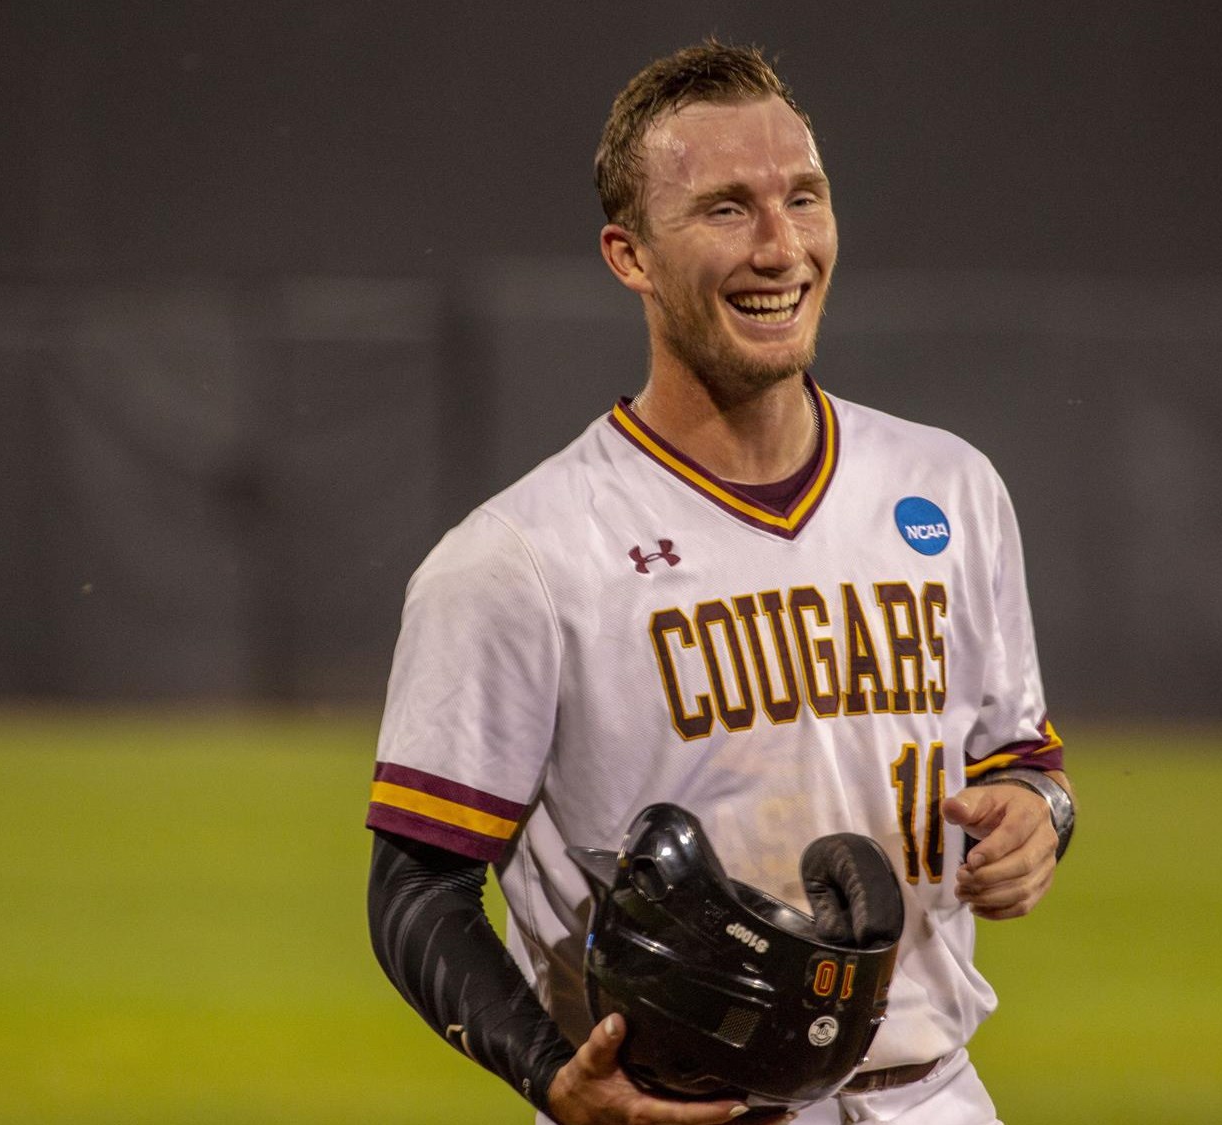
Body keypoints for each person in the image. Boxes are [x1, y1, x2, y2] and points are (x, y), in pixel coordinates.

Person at [365, 40, 1074, 1125]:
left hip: (938, 1095)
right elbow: (417, 884)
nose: (780, 247)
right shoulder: (520, 557)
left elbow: (1018, 756)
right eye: (725, 210)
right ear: (629, 255)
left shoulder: (950, 489)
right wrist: (550, 1077)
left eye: (803, 197)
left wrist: (1036, 816)